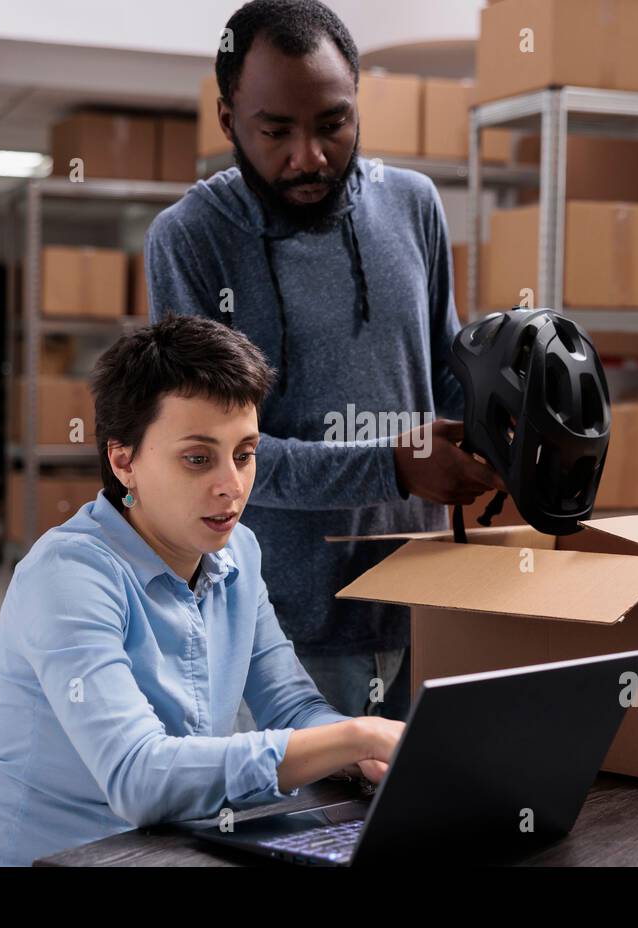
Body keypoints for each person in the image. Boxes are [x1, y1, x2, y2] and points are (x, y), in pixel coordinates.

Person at [145, 0, 503, 720]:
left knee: (430, 796)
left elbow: (444, 376)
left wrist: (513, 422)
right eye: (276, 131)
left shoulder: (413, 204)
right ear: (228, 121)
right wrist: (394, 465)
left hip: (425, 600)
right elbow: (217, 458)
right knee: (308, 802)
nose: (308, 157)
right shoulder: (191, 239)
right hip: (276, 634)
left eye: (333, 124)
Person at [0, 316, 403, 866]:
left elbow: (290, 706)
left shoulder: (239, 554)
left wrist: (361, 752)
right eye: (198, 459)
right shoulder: (68, 575)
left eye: (244, 454)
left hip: (168, 851)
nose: (232, 486)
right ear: (124, 461)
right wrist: (355, 738)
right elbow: (139, 777)